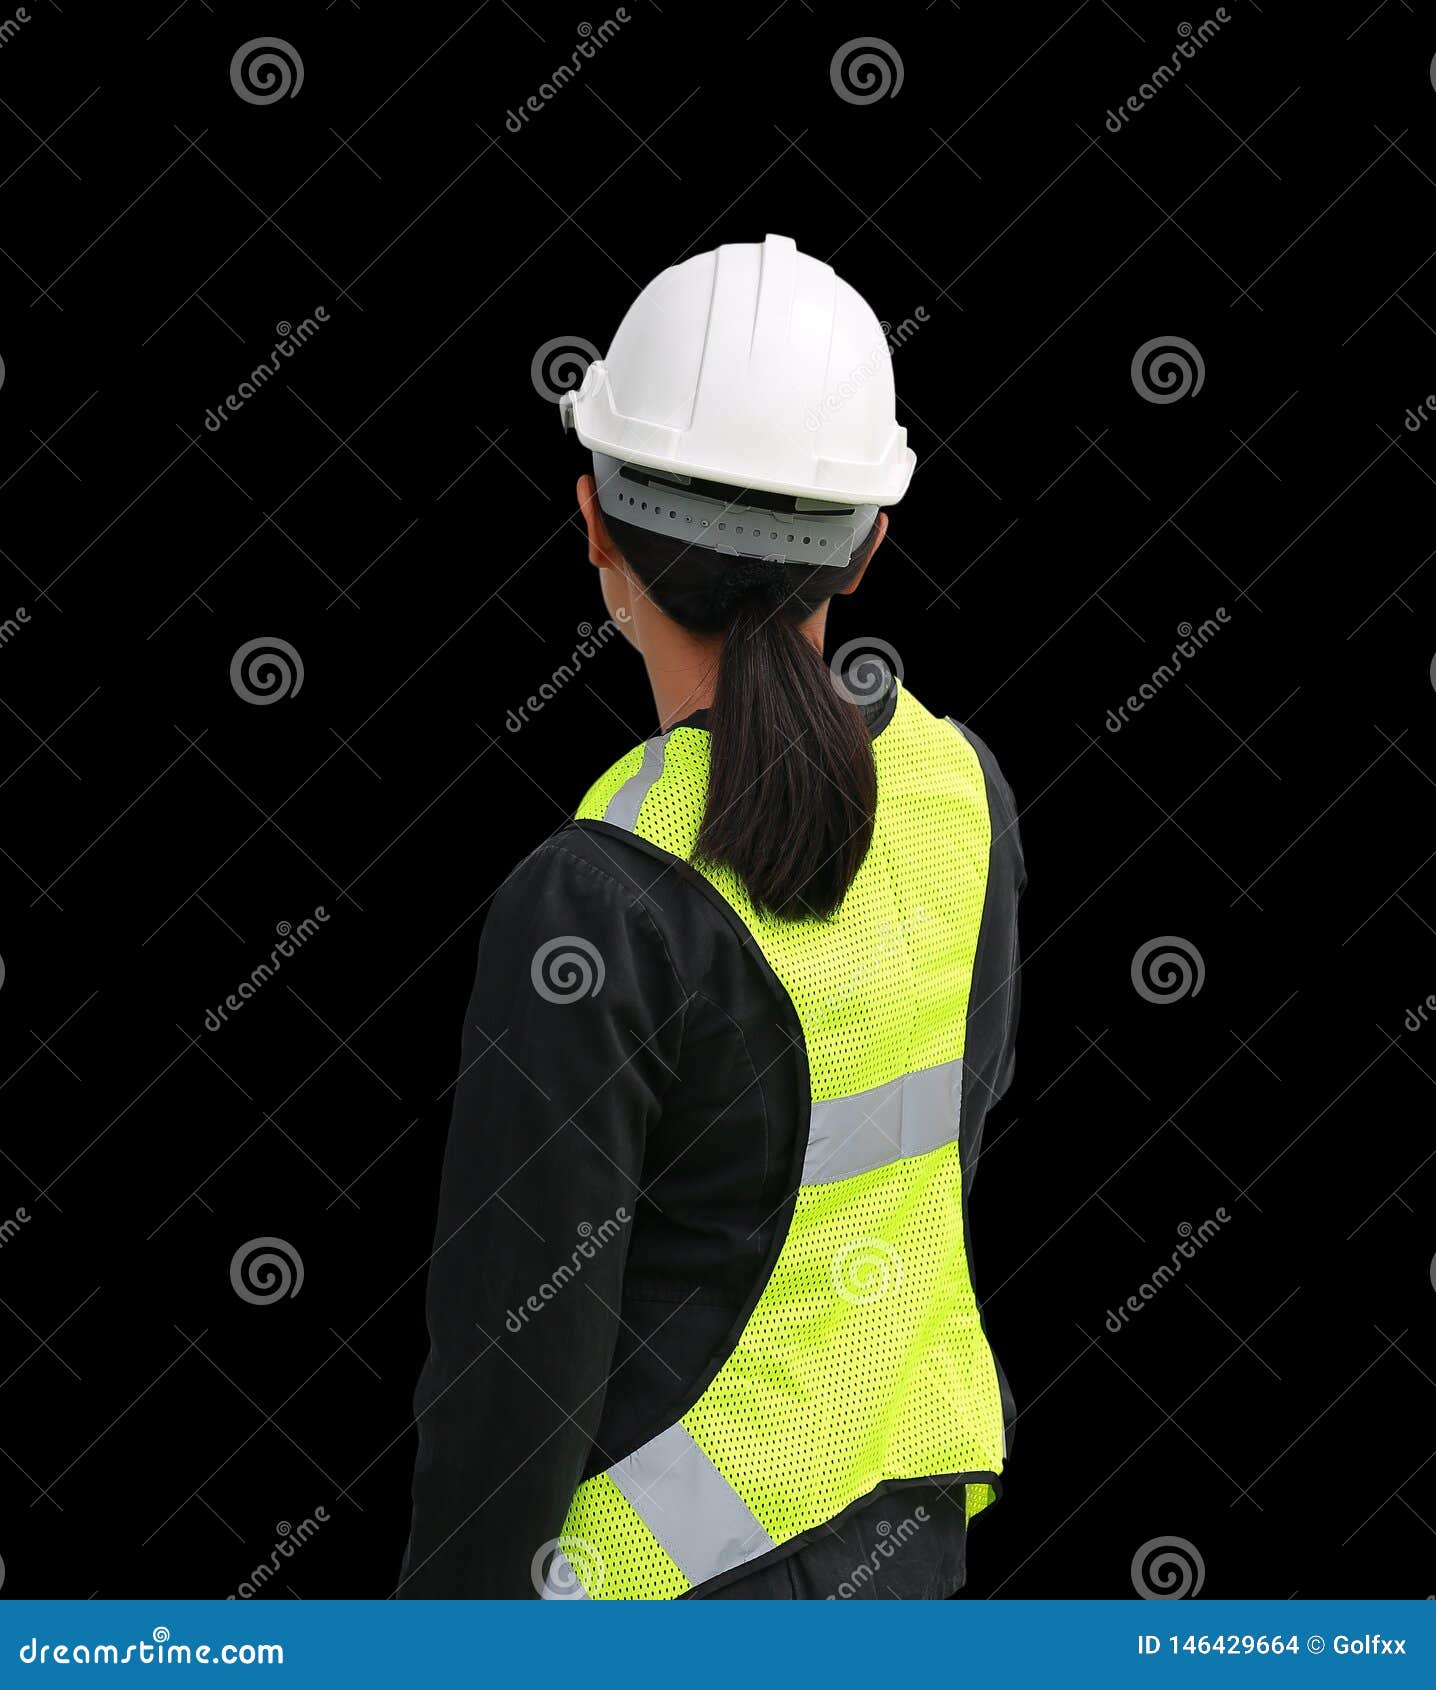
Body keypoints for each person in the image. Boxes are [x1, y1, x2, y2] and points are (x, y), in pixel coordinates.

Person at [399, 235, 1024, 1600]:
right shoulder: (959, 791)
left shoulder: (600, 900)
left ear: (593, 522)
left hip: (655, 1596)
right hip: (903, 1548)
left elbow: (516, 1373)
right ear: (868, 543)